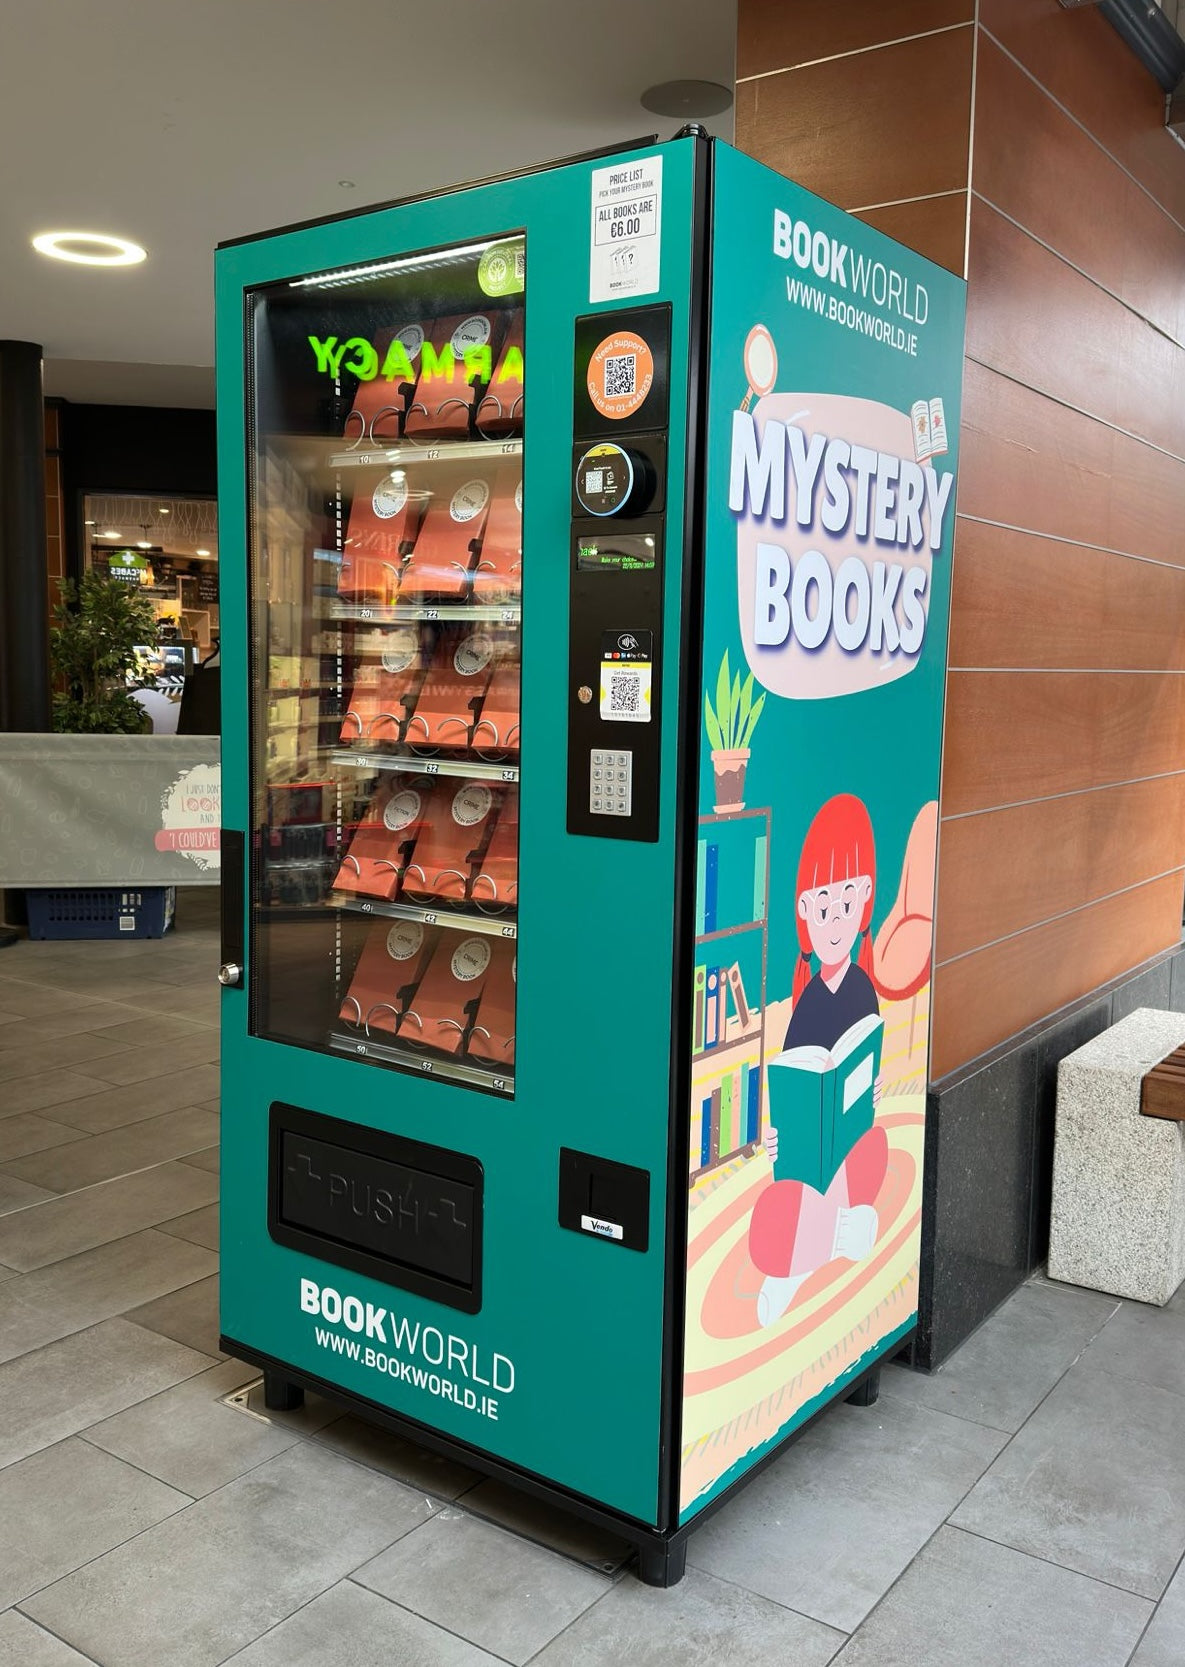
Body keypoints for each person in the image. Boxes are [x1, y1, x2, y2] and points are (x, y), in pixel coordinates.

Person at [751, 793, 888, 1327]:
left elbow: (866, 1071)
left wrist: (869, 1094)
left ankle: (814, 1248)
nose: (835, 921)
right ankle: (826, 1243)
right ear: (805, 910)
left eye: (846, 904)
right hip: (808, 1164)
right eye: (823, 906)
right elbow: (789, 1085)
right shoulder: (805, 1002)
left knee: (871, 1150)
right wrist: (775, 1137)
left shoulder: (862, 991)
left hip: (848, 1149)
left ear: (865, 900)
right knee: (780, 1213)